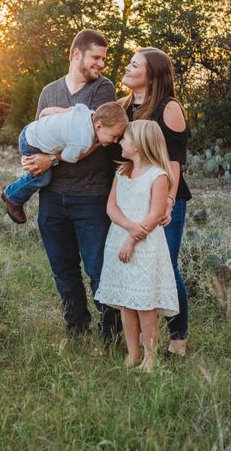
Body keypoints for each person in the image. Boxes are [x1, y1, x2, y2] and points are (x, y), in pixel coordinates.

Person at [20, 29, 122, 339]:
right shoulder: (49, 91)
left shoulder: (102, 89)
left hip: (91, 195)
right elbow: (40, 133)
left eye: (103, 59)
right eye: (96, 57)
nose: (101, 64)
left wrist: (50, 161)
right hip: (52, 196)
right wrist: (32, 160)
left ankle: (112, 334)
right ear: (77, 54)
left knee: (97, 268)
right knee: (63, 268)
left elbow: (95, 139)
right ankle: (77, 328)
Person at [119, 48, 192, 357]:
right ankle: (139, 340)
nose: (127, 67)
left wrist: (169, 200)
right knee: (135, 265)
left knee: (165, 266)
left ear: (152, 75)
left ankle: (178, 337)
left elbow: (174, 161)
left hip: (164, 198)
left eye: (135, 65)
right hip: (132, 200)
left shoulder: (168, 107)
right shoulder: (123, 107)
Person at [94, 120, 179, 372]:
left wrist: (133, 237)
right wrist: (128, 228)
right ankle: (132, 353)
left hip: (144, 245)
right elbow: (111, 207)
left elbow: (155, 214)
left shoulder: (158, 176)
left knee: (144, 303)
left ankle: (150, 357)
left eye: (125, 138)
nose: (120, 142)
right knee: (126, 301)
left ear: (139, 145)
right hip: (119, 240)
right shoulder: (121, 172)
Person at [1, 102, 128, 224]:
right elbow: (68, 157)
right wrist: (90, 149)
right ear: (99, 126)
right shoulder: (82, 142)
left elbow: (60, 111)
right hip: (33, 143)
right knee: (42, 177)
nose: (116, 141)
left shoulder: (86, 112)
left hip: (31, 129)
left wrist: (47, 120)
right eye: (114, 136)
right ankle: (13, 196)